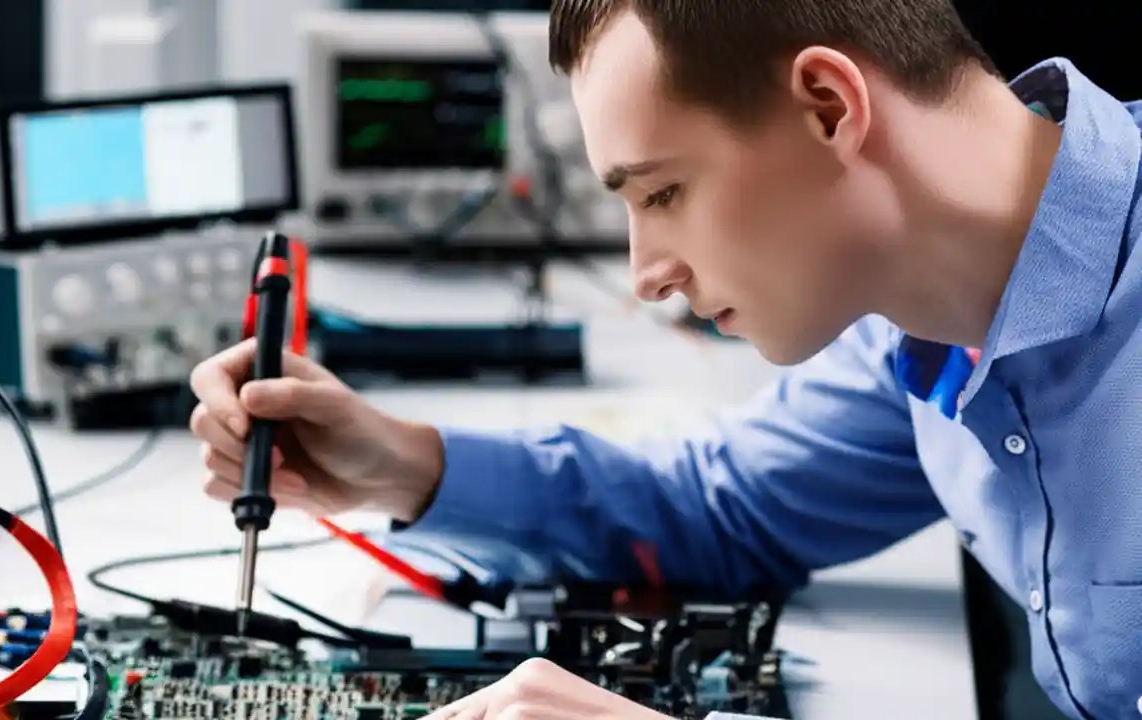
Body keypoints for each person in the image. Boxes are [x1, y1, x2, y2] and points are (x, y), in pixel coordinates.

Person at [190, 0, 1142, 717]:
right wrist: (400, 465)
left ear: (826, 106)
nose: (645, 276)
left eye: (663, 193)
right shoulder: (917, 313)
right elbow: (726, 507)